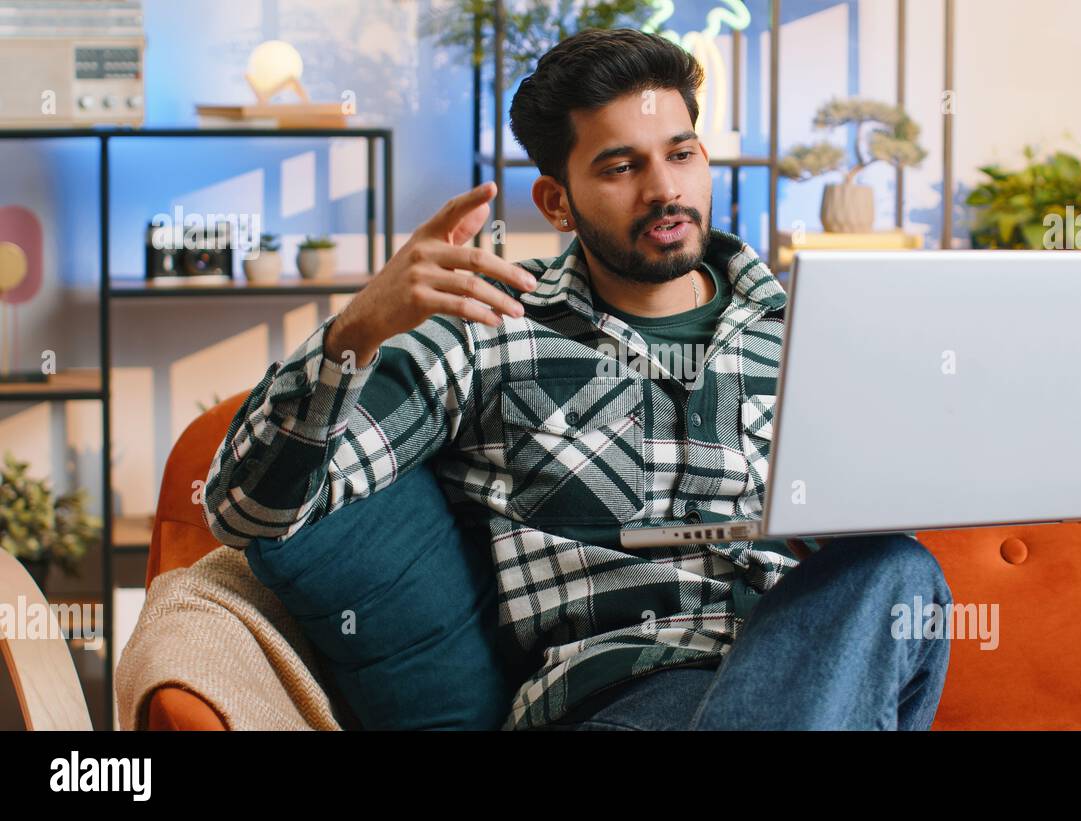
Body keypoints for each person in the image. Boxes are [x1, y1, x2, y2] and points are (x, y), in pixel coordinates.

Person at [202, 27, 951, 731]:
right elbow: (246, 510)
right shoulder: (488, 327)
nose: (665, 189)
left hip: (811, 674)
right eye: (622, 166)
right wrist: (357, 329)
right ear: (557, 201)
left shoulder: (807, 332)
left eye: (681, 153)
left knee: (898, 569)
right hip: (624, 698)